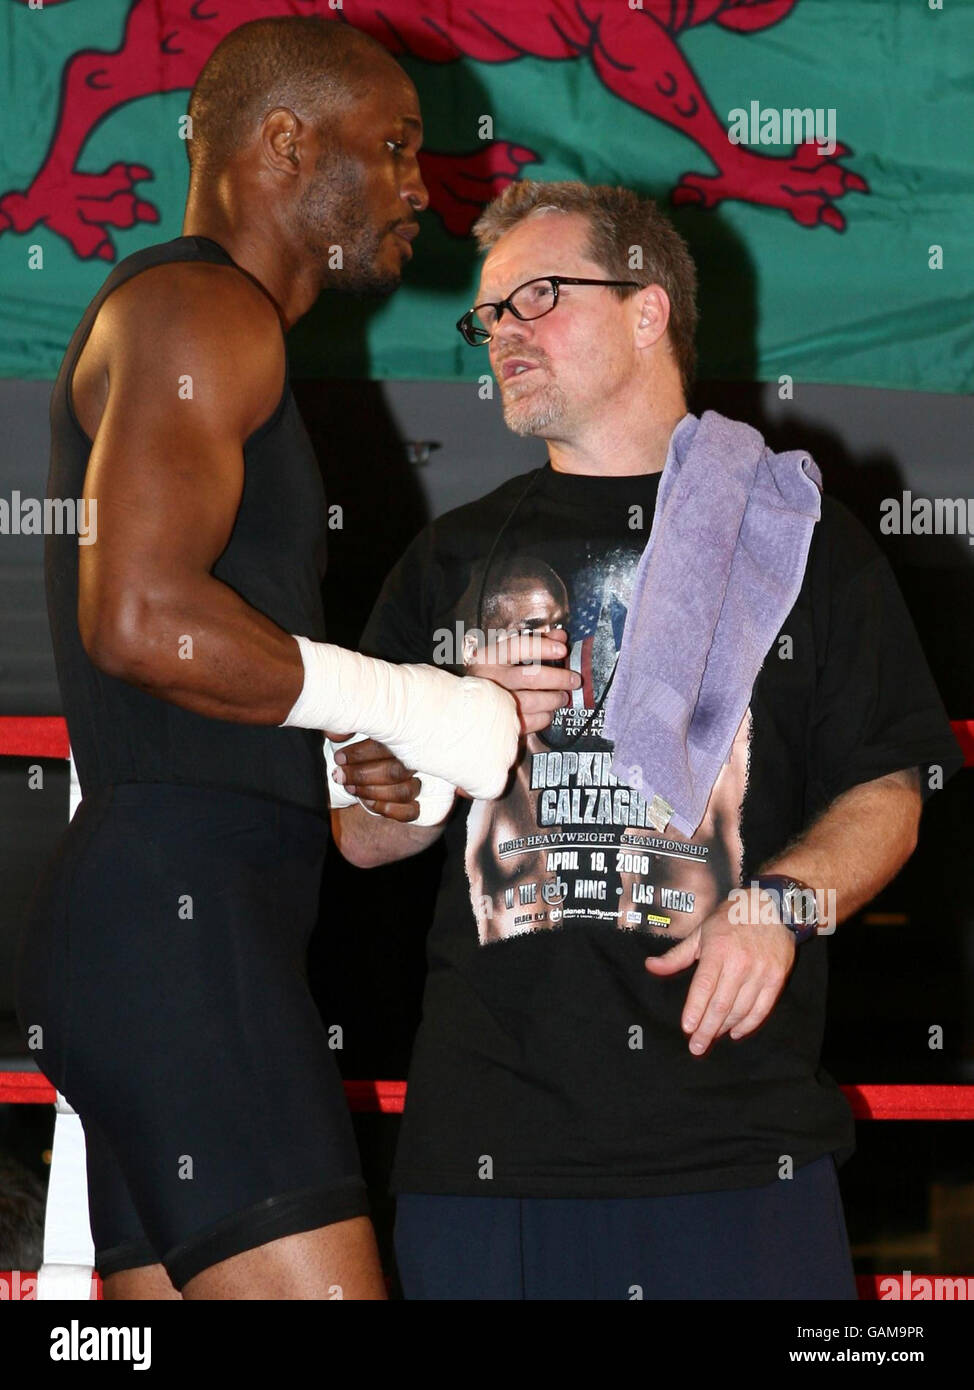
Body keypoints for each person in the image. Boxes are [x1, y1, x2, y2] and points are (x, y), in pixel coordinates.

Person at [330, 179, 964, 1300]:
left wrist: (780, 904)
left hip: (736, 1142)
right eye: (489, 316)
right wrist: (441, 732)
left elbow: (890, 788)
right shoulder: (445, 560)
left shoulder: (796, 539)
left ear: (646, 308)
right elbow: (360, 835)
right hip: (489, 1153)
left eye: (538, 297)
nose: (504, 336)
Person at [16, 17, 518, 1302]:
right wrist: (401, 696)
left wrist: (335, 755)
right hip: (182, 927)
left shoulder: (210, 323)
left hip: (166, 918)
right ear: (283, 143)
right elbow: (136, 616)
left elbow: (187, 641)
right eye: (396, 146)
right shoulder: (198, 307)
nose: (423, 183)